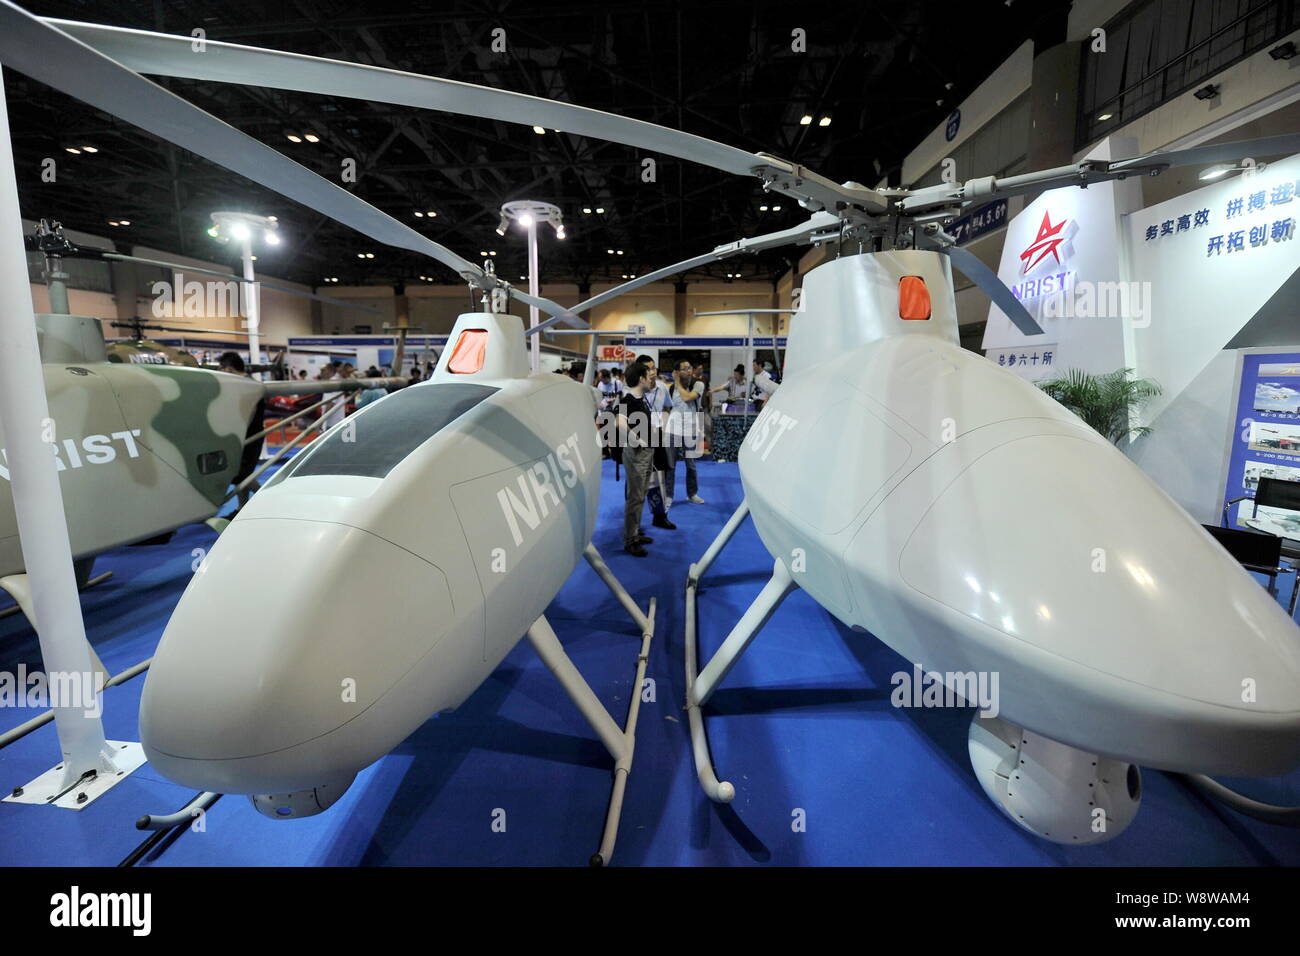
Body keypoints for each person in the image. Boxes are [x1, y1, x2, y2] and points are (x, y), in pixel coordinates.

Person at [617, 363, 658, 557]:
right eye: (648, 375)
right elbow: (619, 423)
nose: (651, 378)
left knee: (640, 495)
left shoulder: (641, 399)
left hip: (644, 453)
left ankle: (635, 533)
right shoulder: (629, 399)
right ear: (641, 378)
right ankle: (630, 540)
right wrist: (638, 440)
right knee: (635, 497)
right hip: (637, 454)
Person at [665, 359, 705, 504]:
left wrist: (676, 382)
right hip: (672, 430)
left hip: (691, 429)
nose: (689, 370)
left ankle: (692, 493)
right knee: (670, 465)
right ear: (676, 372)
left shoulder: (698, 384)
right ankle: (668, 495)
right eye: (684, 368)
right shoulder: (670, 388)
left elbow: (687, 398)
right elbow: (667, 408)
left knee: (691, 464)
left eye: (690, 367)